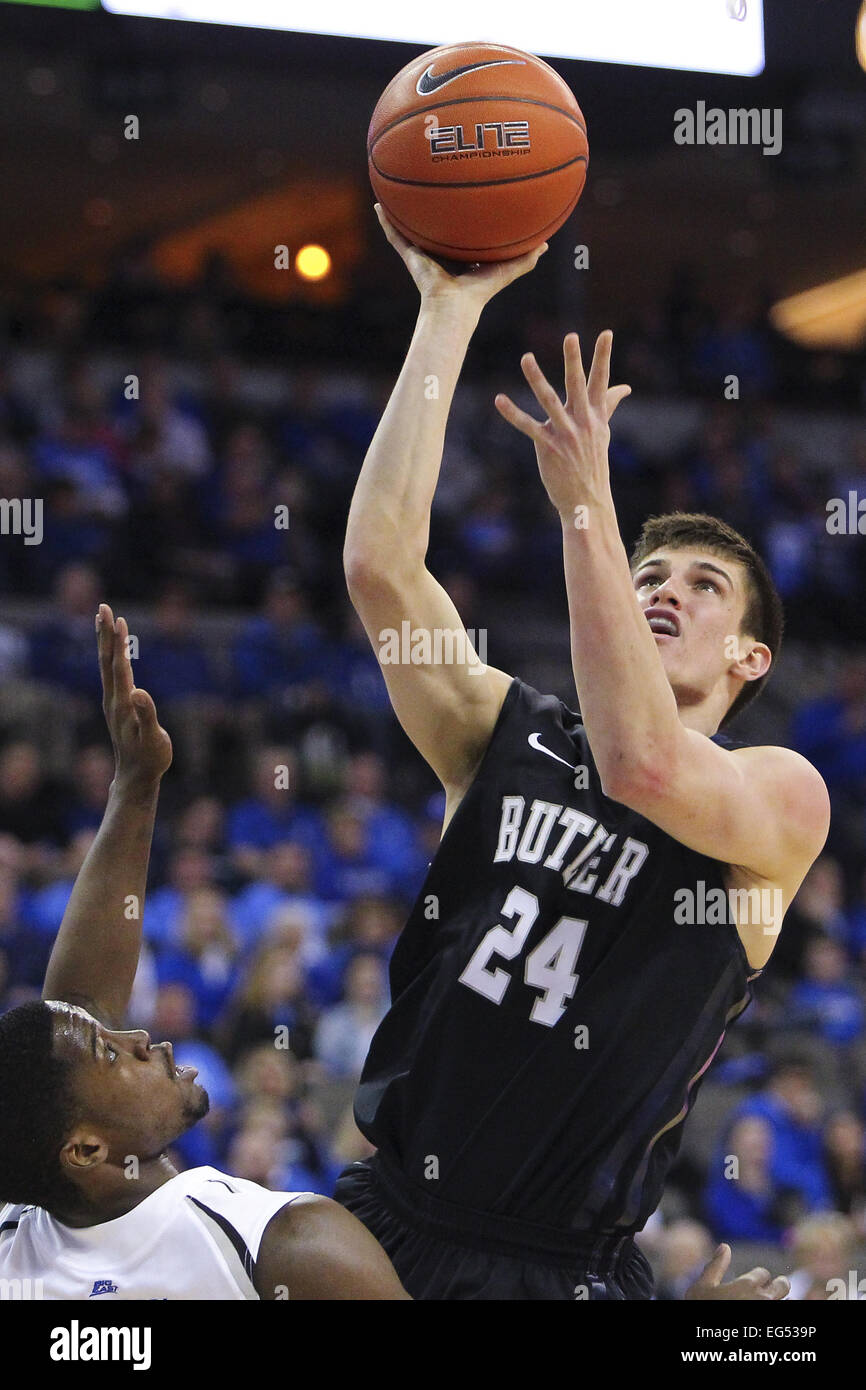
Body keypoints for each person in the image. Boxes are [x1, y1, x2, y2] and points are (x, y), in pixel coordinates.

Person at [334, 205, 830, 1301]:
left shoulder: (775, 797)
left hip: (554, 1270)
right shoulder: (507, 732)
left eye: (703, 588)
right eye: (651, 575)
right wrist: (446, 310)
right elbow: (379, 567)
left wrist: (586, 512)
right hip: (382, 1214)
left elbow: (643, 766)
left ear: (751, 659)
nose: (665, 591)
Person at [0, 606, 409, 1300]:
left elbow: (74, 1003)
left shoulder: (287, 1245)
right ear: (86, 1151)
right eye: (110, 1054)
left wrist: (135, 786)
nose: (138, 1038)